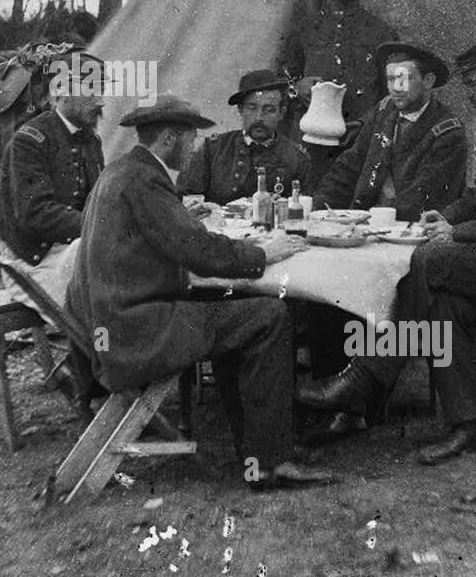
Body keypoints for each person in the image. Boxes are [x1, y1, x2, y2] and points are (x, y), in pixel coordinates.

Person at [299, 38, 476, 464]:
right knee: (444, 304)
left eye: (473, 84)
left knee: (428, 259)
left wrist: (460, 233)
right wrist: (446, 217)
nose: (467, 94)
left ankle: (368, 375)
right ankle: (466, 425)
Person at [66, 95, 335, 491]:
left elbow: (168, 236)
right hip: (136, 332)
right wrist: (264, 254)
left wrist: (184, 222)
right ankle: (270, 463)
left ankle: (257, 449)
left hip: (111, 324)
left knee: (236, 310)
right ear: (170, 139)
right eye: (190, 141)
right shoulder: (146, 180)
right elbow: (200, 252)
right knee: (271, 316)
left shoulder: (124, 172)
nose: (193, 150)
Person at [0, 53, 105, 310]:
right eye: (91, 89)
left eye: (102, 89)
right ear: (60, 92)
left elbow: (98, 199)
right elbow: (36, 214)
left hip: (71, 251)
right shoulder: (30, 140)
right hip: (32, 264)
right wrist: (101, 224)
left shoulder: (91, 141)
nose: (100, 100)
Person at [280, 0, 400, 179]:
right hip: (312, 139)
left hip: (359, 140)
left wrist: (366, 126)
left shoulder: (381, 33)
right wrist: (297, 87)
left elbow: (392, 95)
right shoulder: (306, 28)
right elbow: (282, 77)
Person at [317, 42, 467, 219]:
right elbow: (348, 168)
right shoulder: (383, 111)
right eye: (390, 79)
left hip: (414, 230)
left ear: (428, 81)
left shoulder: (448, 132)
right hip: (366, 224)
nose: (396, 88)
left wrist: (362, 217)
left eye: (404, 79)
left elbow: (420, 200)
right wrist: (318, 207)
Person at [176, 69, 313, 204]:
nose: (259, 118)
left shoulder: (296, 158)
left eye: (269, 110)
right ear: (240, 109)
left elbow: (304, 210)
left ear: (281, 113)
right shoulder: (212, 149)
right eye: (252, 108)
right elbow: (185, 200)